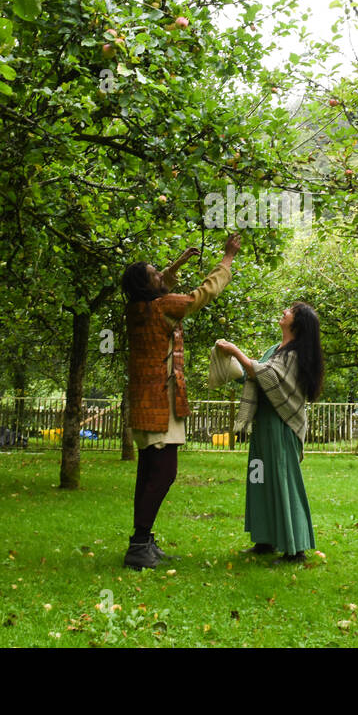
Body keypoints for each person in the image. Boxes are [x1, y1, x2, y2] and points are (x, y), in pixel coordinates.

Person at [121, 232, 242, 570]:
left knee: (147, 471)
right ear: (150, 286)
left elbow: (158, 285)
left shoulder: (137, 308)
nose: (163, 275)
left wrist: (177, 264)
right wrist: (227, 259)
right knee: (164, 473)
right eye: (156, 274)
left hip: (146, 400)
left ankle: (142, 540)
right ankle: (139, 544)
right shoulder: (163, 306)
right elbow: (200, 295)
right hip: (160, 402)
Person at [215, 302, 323, 563]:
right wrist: (229, 363)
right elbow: (254, 376)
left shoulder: (295, 355)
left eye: (290, 311)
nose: (284, 311)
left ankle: (295, 549)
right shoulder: (275, 350)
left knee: (283, 482)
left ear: (297, 323)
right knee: (259, 479)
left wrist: (236, 351)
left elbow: (267, 375)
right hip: (263, 423)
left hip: (281, 425)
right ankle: (264, 540)